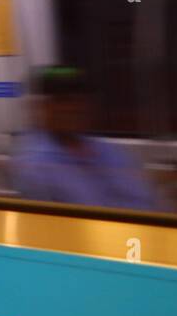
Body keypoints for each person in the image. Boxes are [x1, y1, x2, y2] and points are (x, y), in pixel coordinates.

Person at [12, 66, 161, 211]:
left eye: (78, 99)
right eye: (61, 100)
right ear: (42, 107)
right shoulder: (35, 165)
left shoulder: (108, 151)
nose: (71, 108)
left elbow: (146, 200)